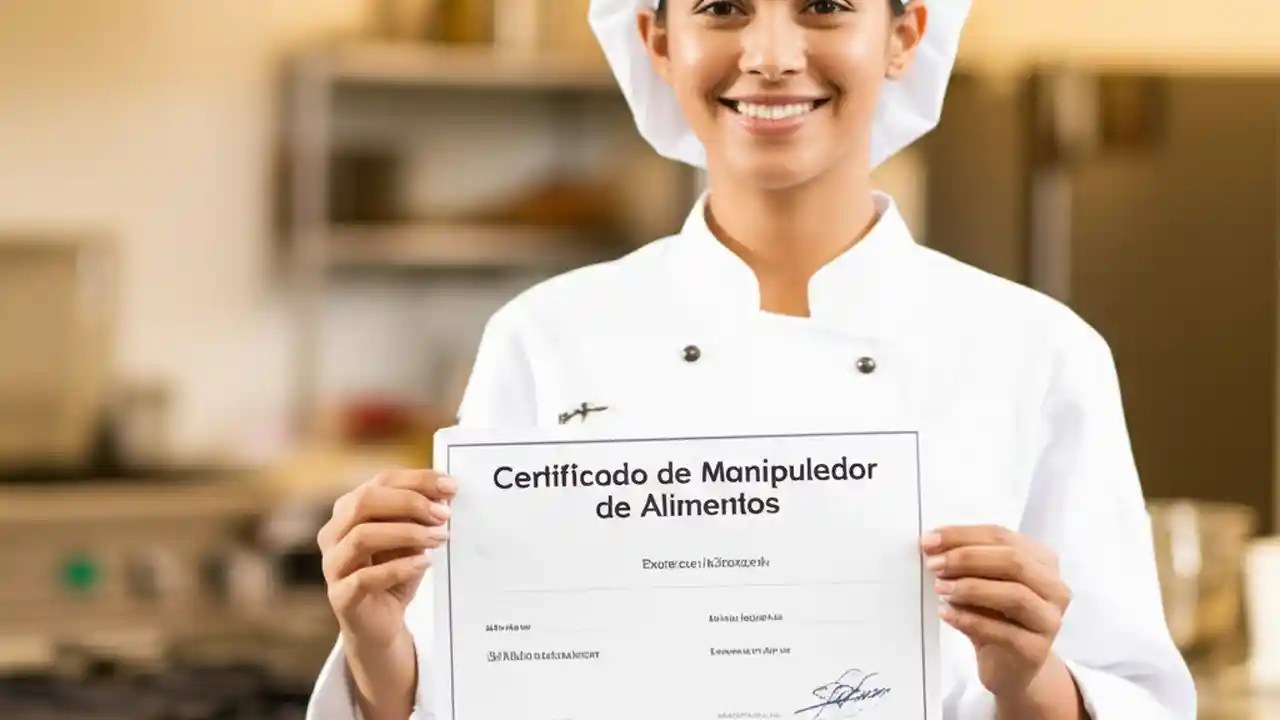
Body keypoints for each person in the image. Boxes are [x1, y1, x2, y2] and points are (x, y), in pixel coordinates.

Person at [306, 0, 1198, 717]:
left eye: (823, 7)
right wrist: (376, 644)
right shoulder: (548, 335)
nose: (770, 54)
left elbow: (1136, 698)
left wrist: (1028, 678)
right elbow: (469, 691)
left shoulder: (1038, 351)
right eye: (724, 8)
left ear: (904, 34)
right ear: (659, 38)